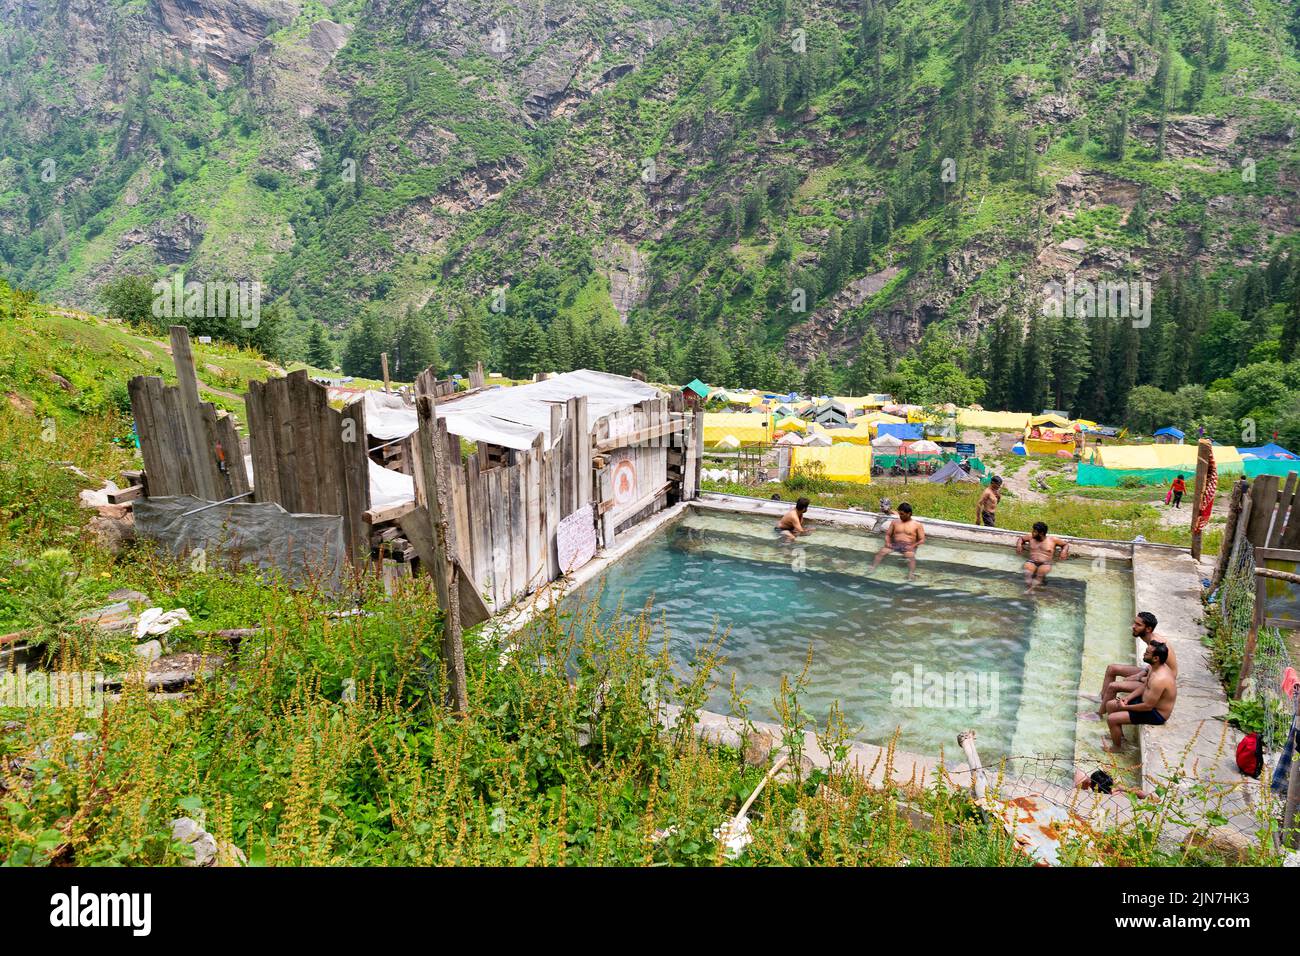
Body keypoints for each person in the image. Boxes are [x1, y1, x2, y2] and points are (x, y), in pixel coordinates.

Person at [1084, 612, 1177, 718]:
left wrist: (1141, 679)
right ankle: (1102, 698)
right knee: (1112, 668)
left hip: (1159, 681)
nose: (1133, 626)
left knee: (1113, 686)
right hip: (1152, 673)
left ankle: (1099, 715)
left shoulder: (1158, 645)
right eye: (1134, 623)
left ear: (1148, 629)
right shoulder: (1151, 639)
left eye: (1138, 625)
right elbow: (1154, 665)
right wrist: (1139, 675)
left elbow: (1165, 673)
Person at [1105, 641, 1176, 752]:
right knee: (1110, 705)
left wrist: (1125, 707)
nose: (1144, 654)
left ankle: (1117, 748)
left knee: (1112, 719)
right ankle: (1120, 737)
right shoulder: (1154, 667)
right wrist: (1128, 698)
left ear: (1156, 658)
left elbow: (1148, 706)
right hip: (1147, 703)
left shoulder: (1160, 679)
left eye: (1147, 653)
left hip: (1156, 713)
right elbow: (1144, 686)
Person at [869, 502, 925, 580]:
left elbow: (922, 540)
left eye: (902, 514)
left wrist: (912, 546)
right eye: (899, 514)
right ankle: (873, 567)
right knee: (881, 552)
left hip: (908, 545)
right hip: (895, 544)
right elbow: (888, 535)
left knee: (910, 556)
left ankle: (911, 574)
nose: (900, 516)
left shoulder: (917, 525)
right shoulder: (895, 522)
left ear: (909, 513)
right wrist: (888, 542)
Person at [1016, 521, 1069, 592]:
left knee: (1039, 576)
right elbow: (1021, 539)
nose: (1032, 532)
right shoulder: (1030, 537)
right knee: (1027, 576)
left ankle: (1030, 591)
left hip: (1045, 563)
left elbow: (1065, 544)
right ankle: (1030, 589)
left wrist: (1064, 551)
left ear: (1041, 533)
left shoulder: (1052, 540)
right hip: (1031, 562)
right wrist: (1019, 545)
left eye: (1034, 531)